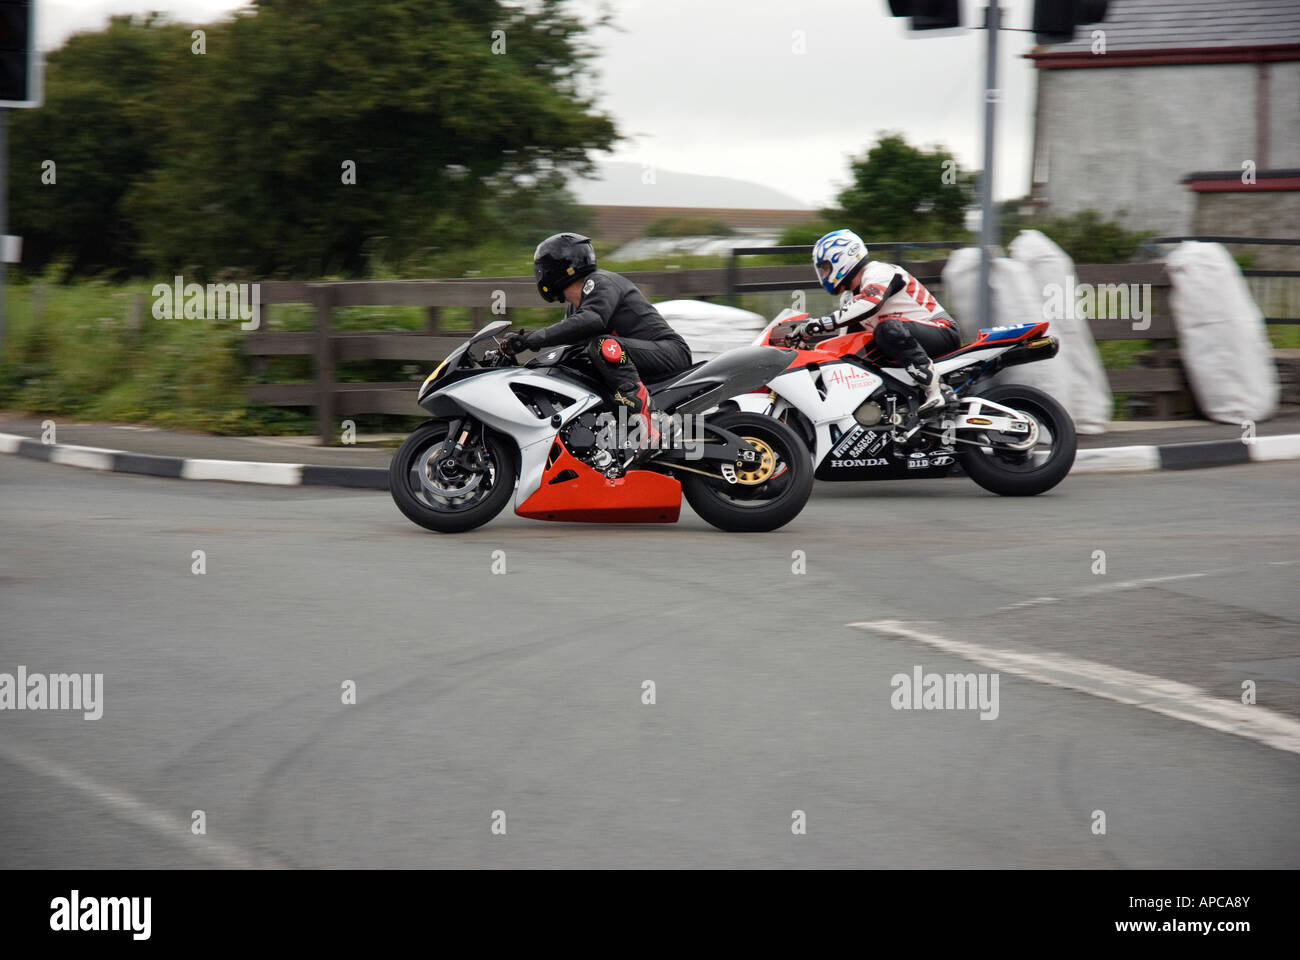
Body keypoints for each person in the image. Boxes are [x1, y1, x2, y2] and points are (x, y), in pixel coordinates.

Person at [502, 232, 693, 449]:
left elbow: (592, 320)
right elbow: (572, 340)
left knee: (603, 346)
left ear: (556, 270)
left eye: (542, 269)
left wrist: (531, 340)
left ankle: (649, 425)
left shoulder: (600, 282)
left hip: (669, 352)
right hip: (639, 359)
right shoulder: (576, 306)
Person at [796, 228, 960, 414]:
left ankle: (938, 389)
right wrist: (807, 353)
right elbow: (843, 347)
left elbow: (869, 302)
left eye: (825, 267)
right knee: (856, 360)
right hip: (908, 342)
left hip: (942, 331)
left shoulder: (878, 271)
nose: (824, 275)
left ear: (842, 258)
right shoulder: (849, 299)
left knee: (886, 329)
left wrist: (819, 324)